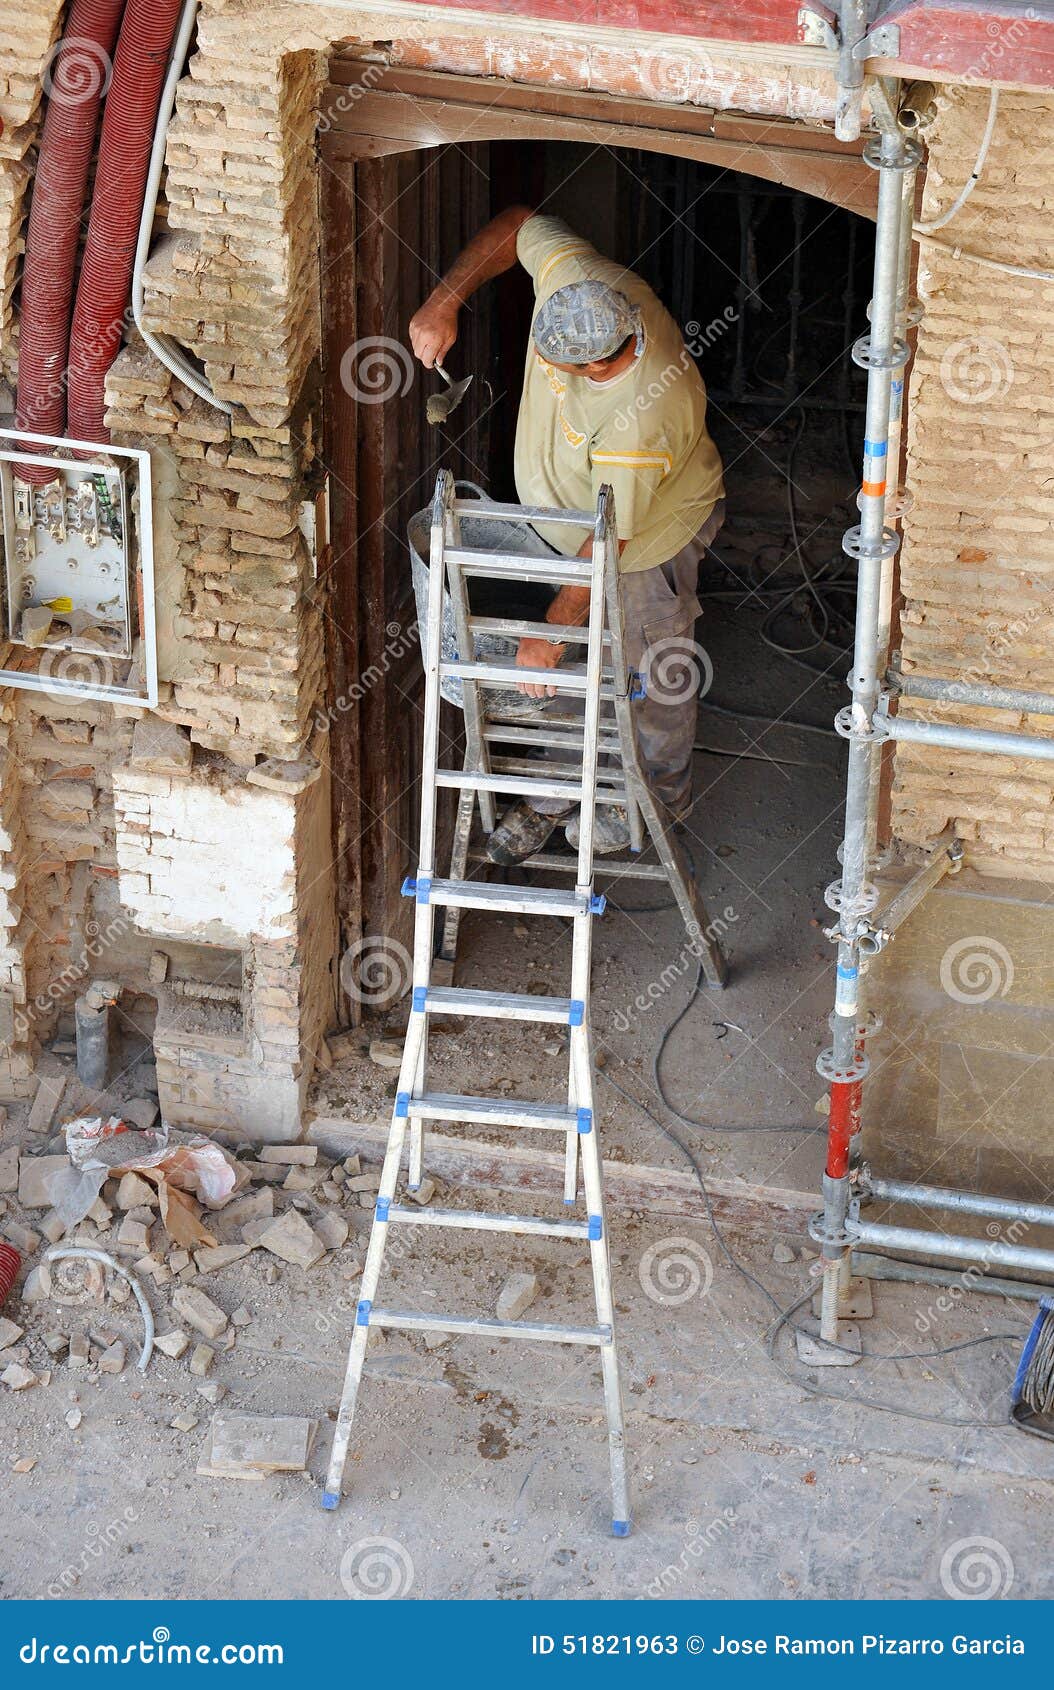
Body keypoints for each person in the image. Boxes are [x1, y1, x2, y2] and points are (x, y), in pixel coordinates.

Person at [409, 206, 725, 866]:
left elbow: (610, 545)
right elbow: (519, 225)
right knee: (570, 676)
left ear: (599, 366)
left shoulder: (645, 415)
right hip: (567, 526)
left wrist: (550, 632)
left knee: (648, 671)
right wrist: (444, 301)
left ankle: (651, 799)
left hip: (646, 541)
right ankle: (555, 792)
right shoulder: (577, 282)